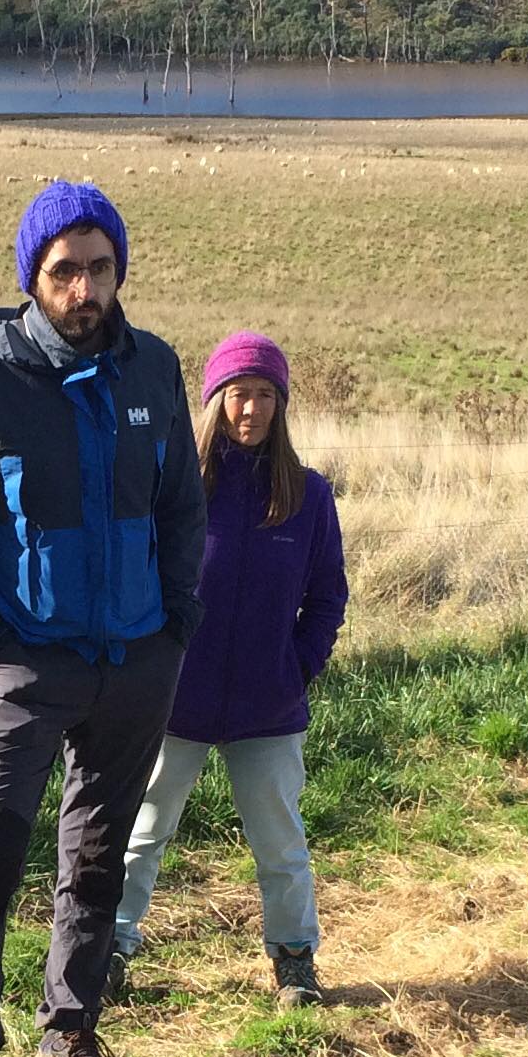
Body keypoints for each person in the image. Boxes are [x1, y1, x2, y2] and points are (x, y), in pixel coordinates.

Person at [0, 181, 205, 1057]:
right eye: (64, 271)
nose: (85, 290)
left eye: (100, 269)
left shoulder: (154, 370)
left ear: (121, 272)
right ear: (33, 278)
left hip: (135, 661)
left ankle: (71, 1023)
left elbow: (181, 509)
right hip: (27, 663)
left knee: (97, 849)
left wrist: (175, 619)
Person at [109, 330, 349, 1008]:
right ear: (214, 400)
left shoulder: (308, 496)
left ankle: (295, 962)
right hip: (173, 701)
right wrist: (149, 669)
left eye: (266, 396)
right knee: (141, 833)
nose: (252, 410)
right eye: (239, 394)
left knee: (281, 843)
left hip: (268, 707)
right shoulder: (172, 483)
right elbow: (137, 579)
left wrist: (295, 666)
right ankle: (111, 948)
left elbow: (328, 595)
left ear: (282, 406)